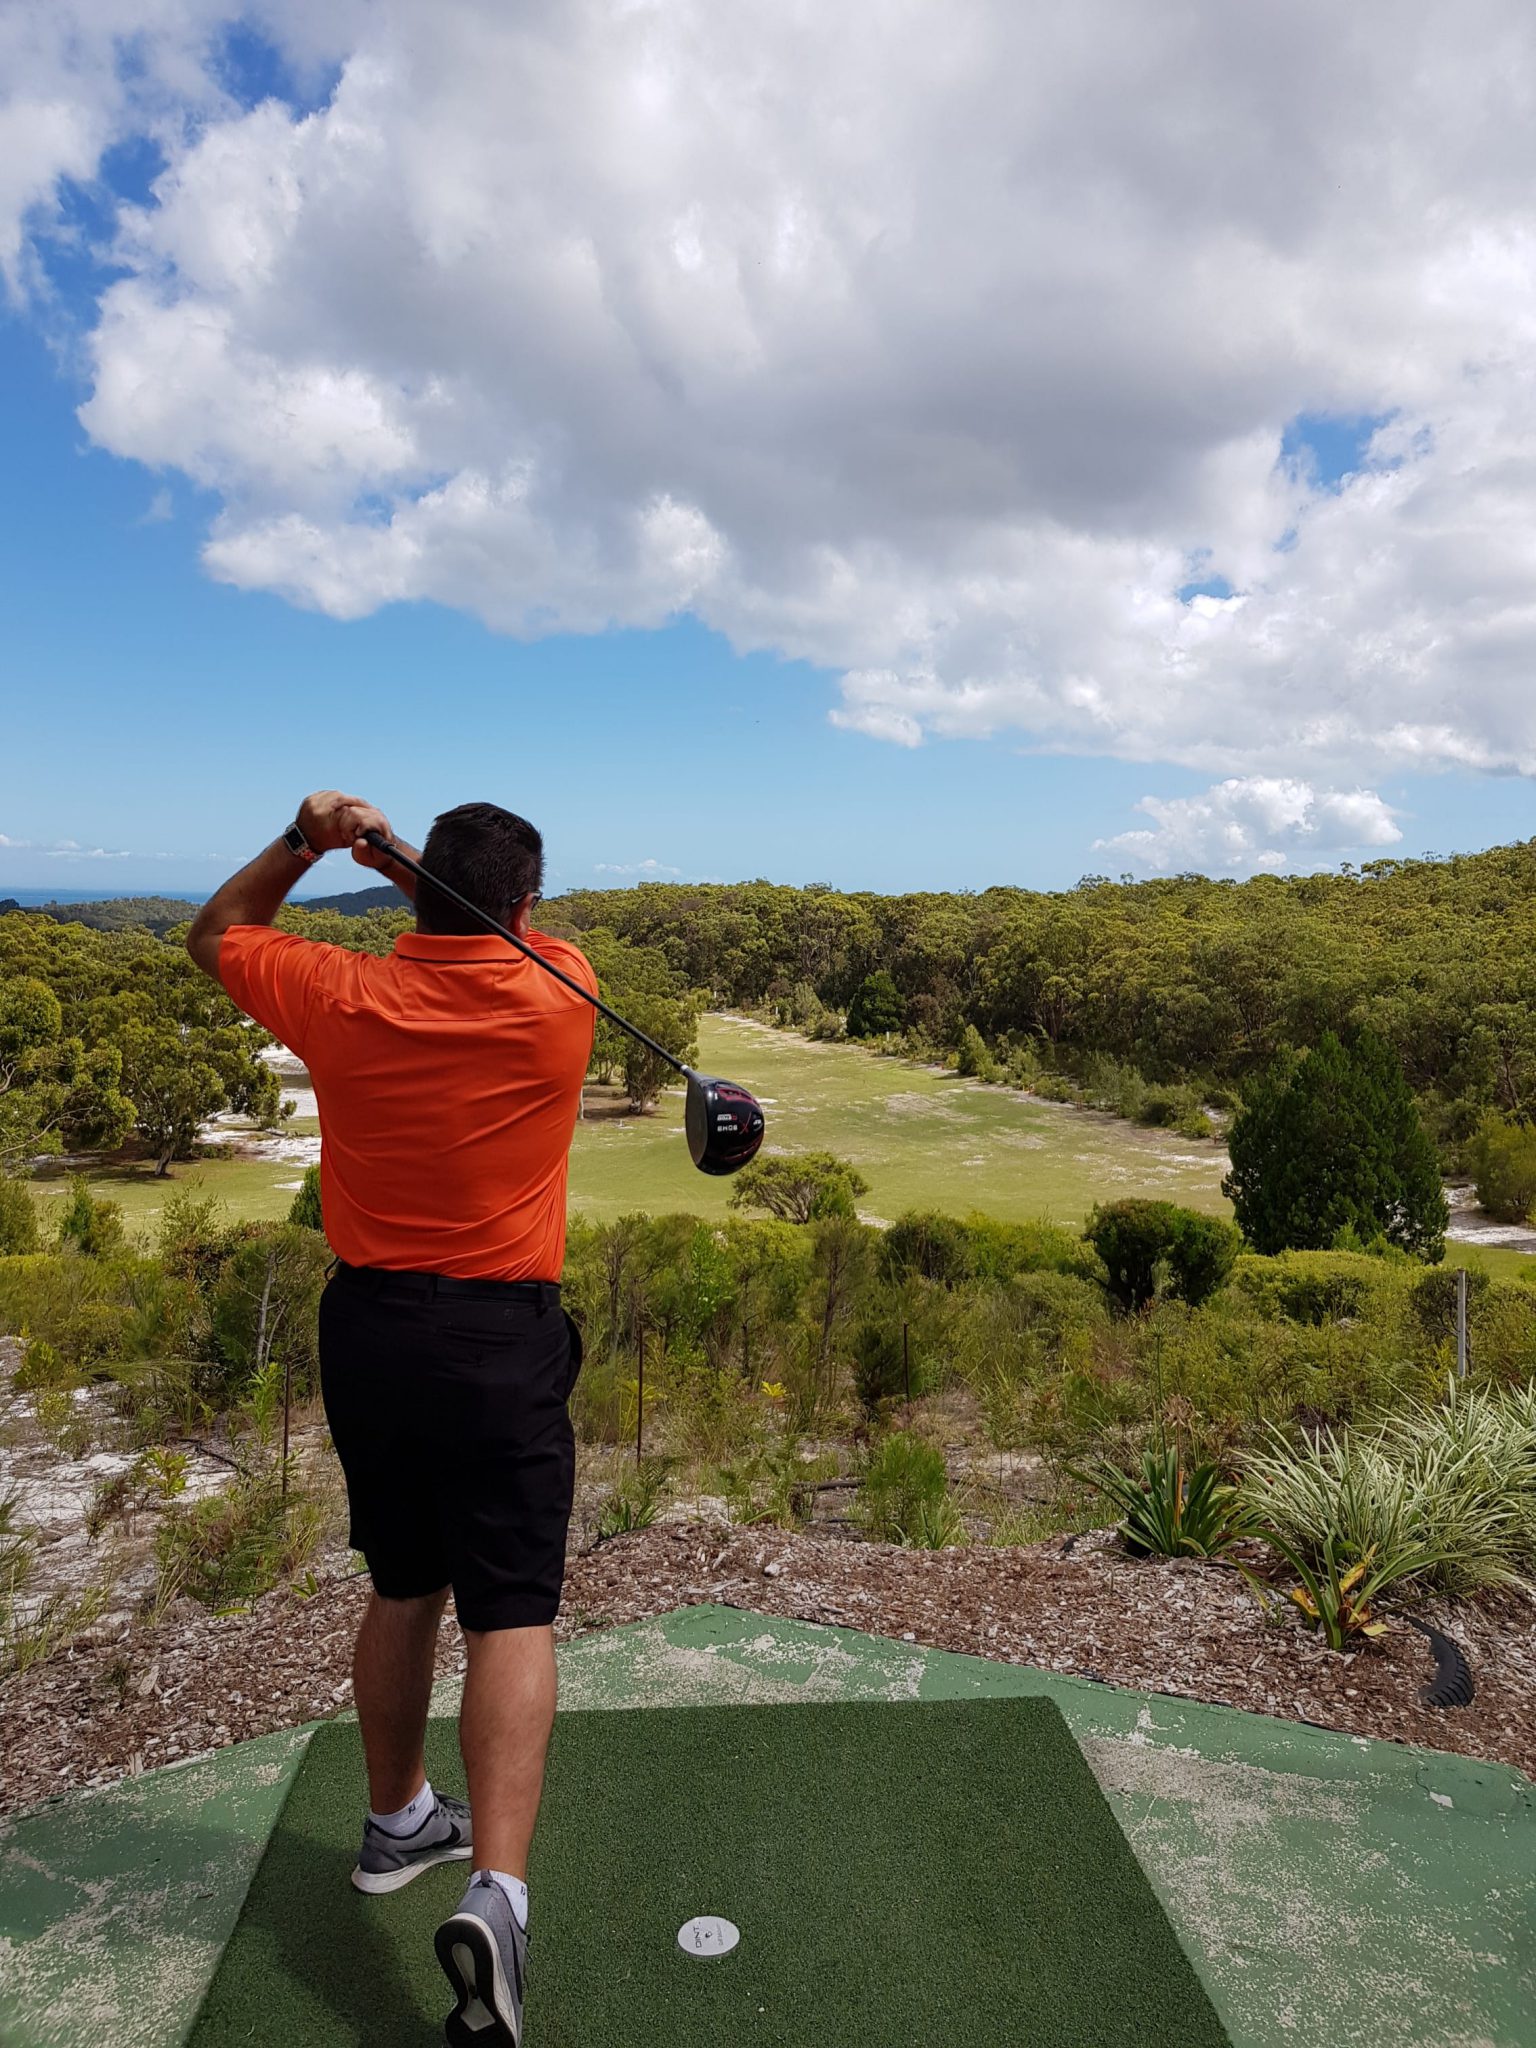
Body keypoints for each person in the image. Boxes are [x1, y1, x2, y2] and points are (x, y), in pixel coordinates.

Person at [188, 790, 596, 2048]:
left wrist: (312, 838)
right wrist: (417, 868)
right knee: (511, 1607)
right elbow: (485, 921)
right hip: (501, 1340)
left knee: (405, 1583)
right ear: (525, 903)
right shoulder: (561, 989)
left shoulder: (341, 993)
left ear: (414, 894)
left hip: (369, 1329)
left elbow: (215, 931)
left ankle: (395, 1818)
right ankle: (497, 1895)